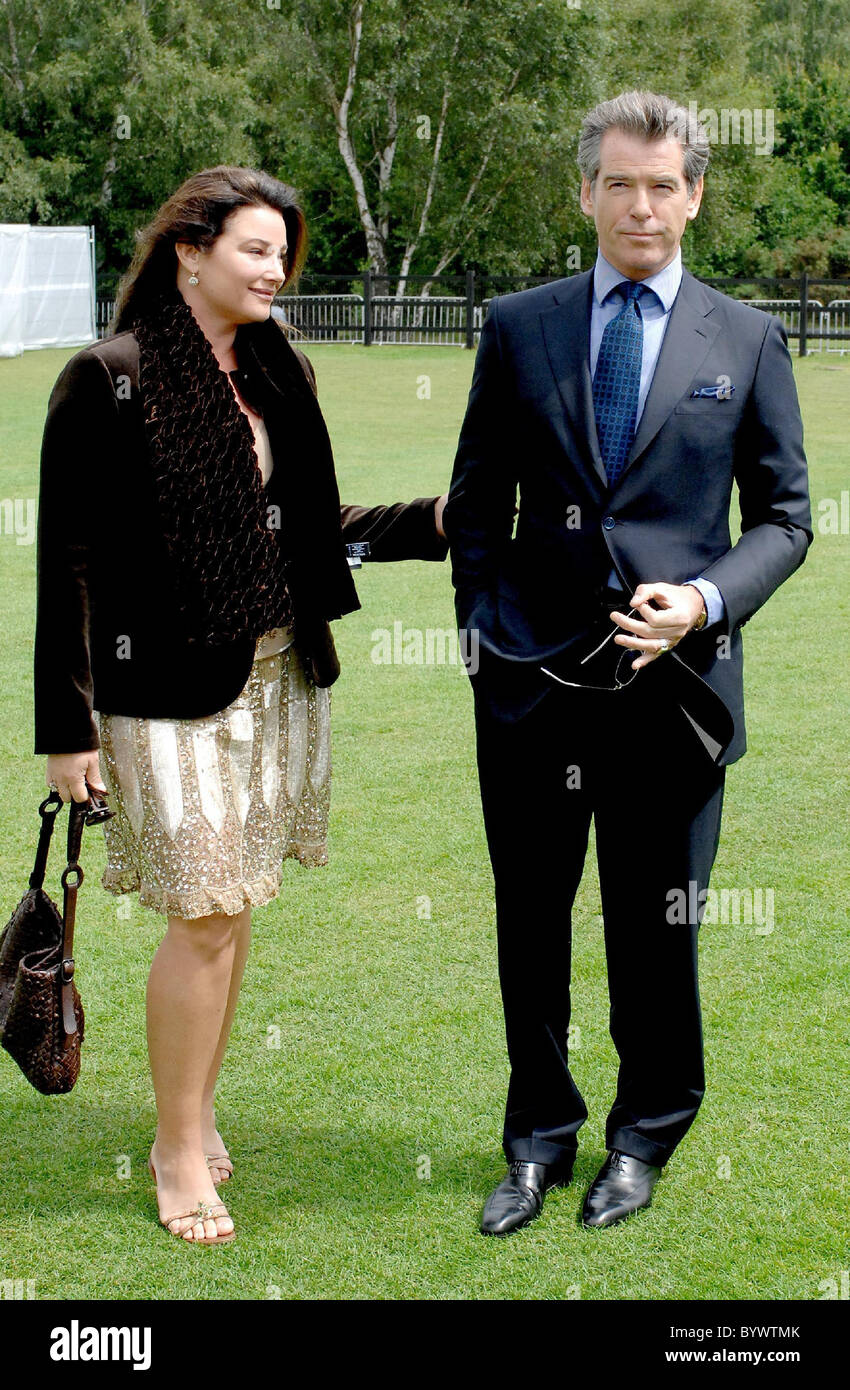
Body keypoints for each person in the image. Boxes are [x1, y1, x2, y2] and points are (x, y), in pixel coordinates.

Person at [33, 166, 448, 1246]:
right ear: (189, 251)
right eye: (255, 250)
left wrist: (439, 519)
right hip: (162, 692)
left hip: (277, 675)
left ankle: (195, 1107)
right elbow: (67, 564)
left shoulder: (277, 367)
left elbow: (316, 525)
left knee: (236, 904)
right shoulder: (108, 375)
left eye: (282, 254)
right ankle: (174, 1148)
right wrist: (64, 728)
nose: (274, 270)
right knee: (205, 909)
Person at [442, 90, 812, 1235]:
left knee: (656, 929)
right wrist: (480, 636)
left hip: (674, 698)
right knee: (530, 924)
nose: (639, 205)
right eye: (618, 182)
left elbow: (787, 517)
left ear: (694, 193)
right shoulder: (519, 324)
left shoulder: (745, 337)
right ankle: (536, 1139)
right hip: (532, 688)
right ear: (586, 192)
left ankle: (643, 1137)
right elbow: (474, 504)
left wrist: (701, 601)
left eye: (662, 184)